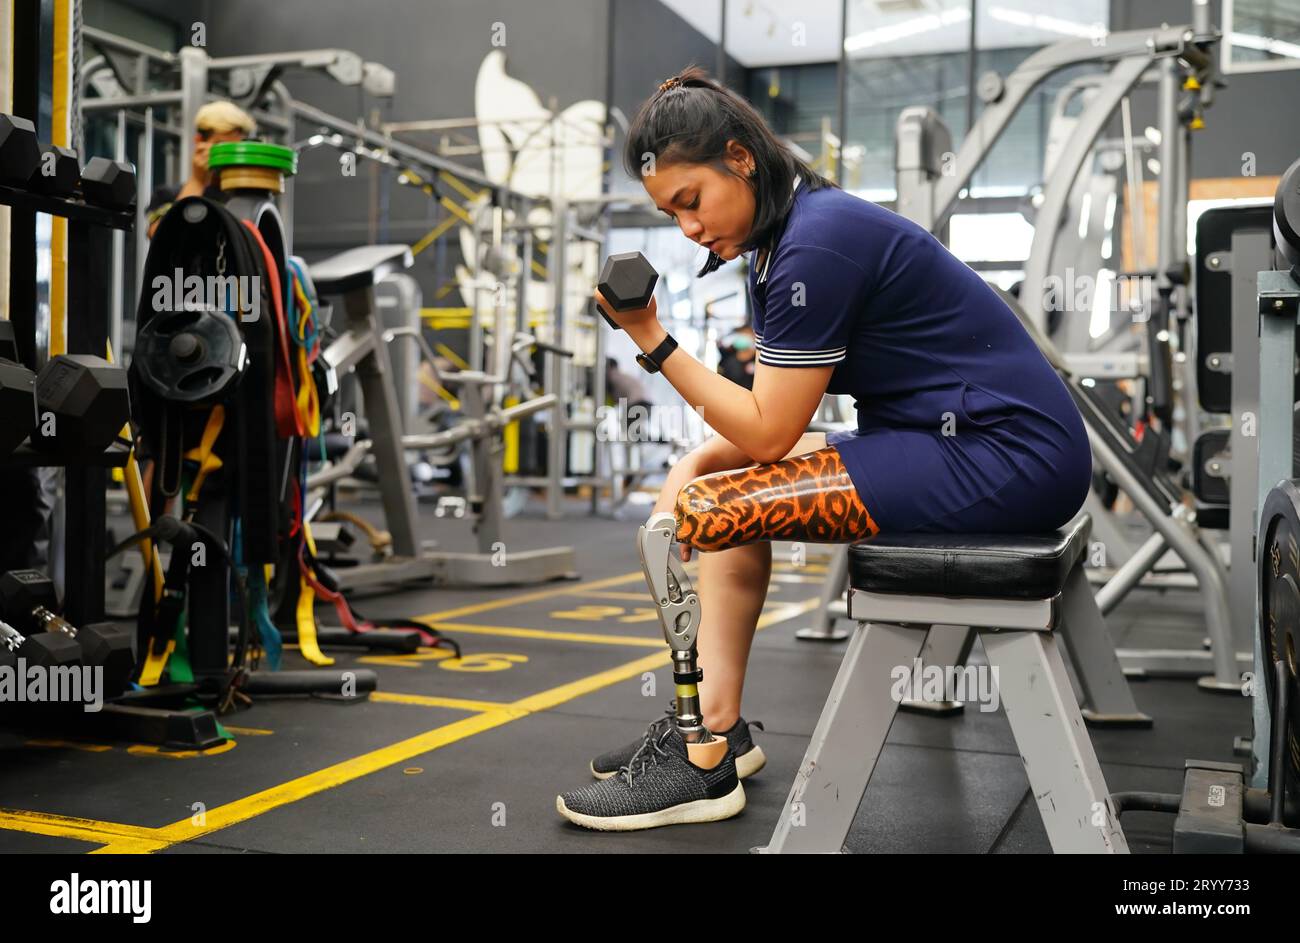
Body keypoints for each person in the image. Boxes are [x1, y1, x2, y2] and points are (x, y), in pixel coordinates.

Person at [556, 66, 1091, 830]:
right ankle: (716, 727)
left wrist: (651, 338)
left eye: (690, 202)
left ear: (739, 159)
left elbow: (770, 431)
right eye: (671, 214)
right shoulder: (785, 239)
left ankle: (700, 754)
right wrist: (699, 455)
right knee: (717, 478)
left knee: (717, 509)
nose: (688, 229)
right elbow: (763, 425)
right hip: (950, 439)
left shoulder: (816, 243)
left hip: (1006, 454)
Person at [145, 100, 255, 239]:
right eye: (221, 146)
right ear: (199, 142)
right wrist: (198, 181)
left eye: (235, 149)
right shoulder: (167, 195)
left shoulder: (246, 199)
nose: (229, 156)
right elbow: (162, 238)